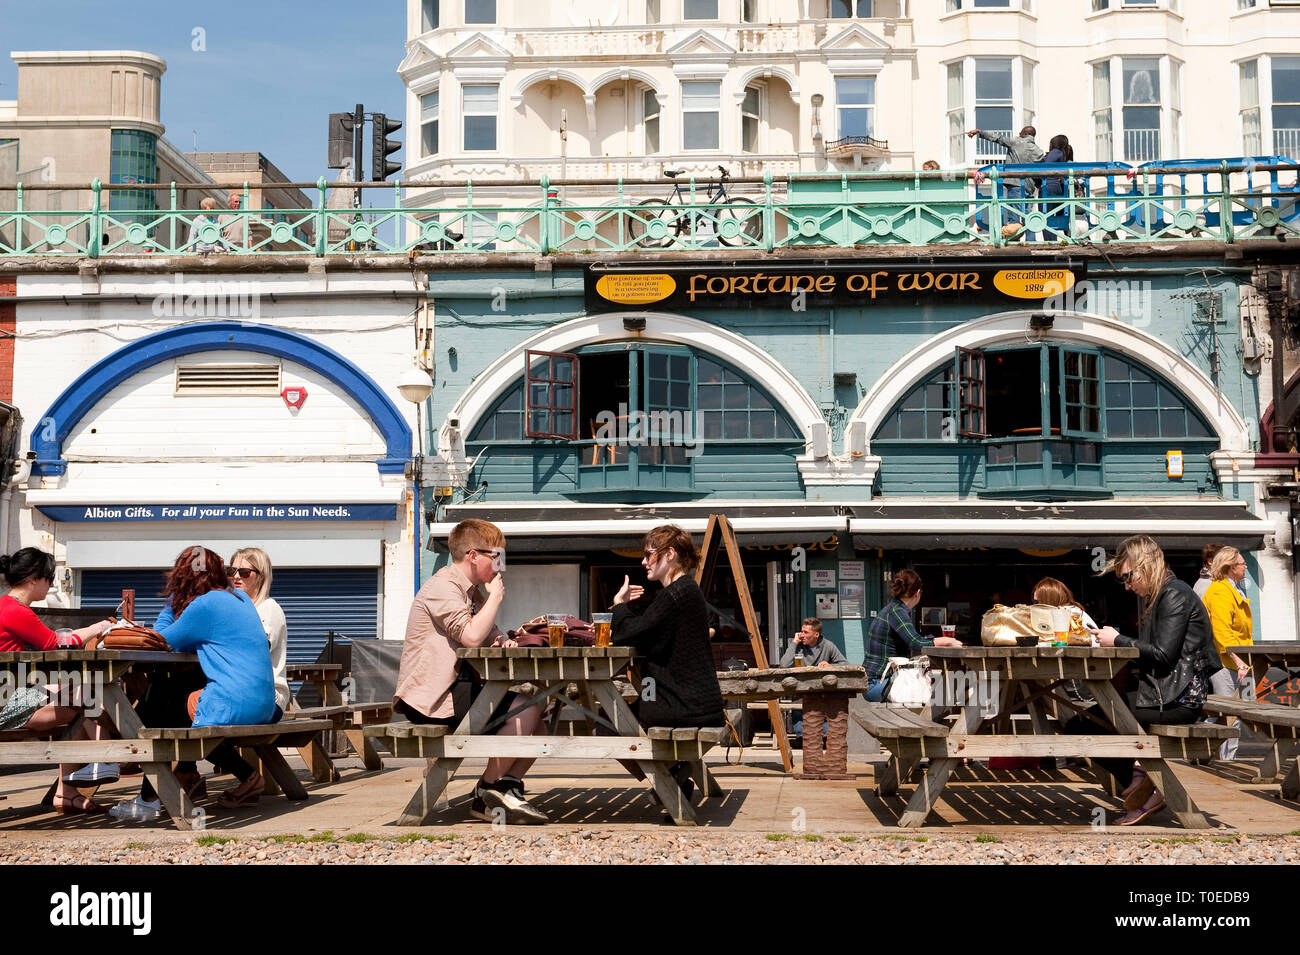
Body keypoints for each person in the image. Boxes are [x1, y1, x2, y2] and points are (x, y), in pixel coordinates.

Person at [394, 519, 549, 825]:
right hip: (432, 698)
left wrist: (505, 641)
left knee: (539, 725)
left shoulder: (472, 592)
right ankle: (490, 790)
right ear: (473, 555)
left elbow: (488, 635)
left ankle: (500, 787)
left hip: (458, 688)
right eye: (497, 556)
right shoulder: (443, 587)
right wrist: (495, 598)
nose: (501, 566)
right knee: (526, 707)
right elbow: (471, 637)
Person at [111, 547, 277, 820]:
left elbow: (160, 641)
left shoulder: (205, 605)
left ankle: (147, 794)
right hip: (265, 706)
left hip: (233, 704)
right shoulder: (241, 600)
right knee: (173, 694)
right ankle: (179, 780)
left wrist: (172, 601)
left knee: (161, 701)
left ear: (182, 579)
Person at [1085, 536, 1216, 825]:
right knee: (1086, 720)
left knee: (1089, 721)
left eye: (1129, 577)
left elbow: (1163, 655)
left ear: (1146, 565)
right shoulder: (1160, 595)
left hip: (1180, 700)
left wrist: (1117, 640)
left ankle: (1147, 778)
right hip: (1165, 694)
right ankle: (1144, 775)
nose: (1128, 586)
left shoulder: (1174, 594)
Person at [612, 524, 725, 801]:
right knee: (617, 715)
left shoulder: (675, 594)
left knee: (606, 720)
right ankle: (674, 777)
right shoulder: (686, 591)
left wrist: (618, 604)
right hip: (698, 702)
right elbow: (646, 633)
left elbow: (629, 634)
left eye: (649, 554)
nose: (643, 561)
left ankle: (667, 780)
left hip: (683, 706)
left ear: (670, 554)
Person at [0, 548, 116, 813]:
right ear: (32, 579)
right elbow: (56, 642)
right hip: (5, 705)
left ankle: (71, 789)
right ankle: (107, 757)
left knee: (82, 695)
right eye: (49, 578)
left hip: (9, 698)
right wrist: (98, 628)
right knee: (87, 694)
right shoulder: (14, 611)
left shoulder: (7, 607)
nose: (51, 584)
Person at [863, 569, 961, 702]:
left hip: (876, 681)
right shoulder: (897, 612)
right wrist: (947, 641)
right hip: (878, 684)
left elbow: (914, 639)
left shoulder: (893, 609)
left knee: (934, 688)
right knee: (937, 693)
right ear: (918, 593)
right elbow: (916, 643)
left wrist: (936, 640)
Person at [1201, 546, 1254, 761]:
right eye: (1242, 564)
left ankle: (1204, 752)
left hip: (1231, 660)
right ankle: (1224, 759)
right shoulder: (1220, 591)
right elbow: (1222, 631)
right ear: (1231, 567)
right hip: (1224, 662)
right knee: (1230, 713)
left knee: (1226, 713)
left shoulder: (1230, 589)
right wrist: (1239, 661)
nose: (1245, 567)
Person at [229, 547, 290, 717]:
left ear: (260, 576)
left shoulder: (268, 609)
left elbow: (253, 652)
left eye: (244, 572)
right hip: (243, 693)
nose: (236, 577)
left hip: (269, 699)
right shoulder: (236, 610)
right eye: (232, 571)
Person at [966, 125, 1044, 239]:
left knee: (1014, 217)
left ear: (1024, 134)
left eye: (1020, 132)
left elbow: (998, 138)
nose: (1018, 134)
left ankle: (1014, 242)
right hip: (1030, 186)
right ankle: (1031, 242)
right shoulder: (1038, 151)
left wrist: (980, 132)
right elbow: (1041, 169)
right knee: (1029, 217)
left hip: (1015, 184)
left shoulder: (1016, 142)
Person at [779, 617, 846, 668]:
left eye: (806, 632)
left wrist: (830, 665)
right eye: (802, 631)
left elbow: (845, 664)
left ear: (816, 635)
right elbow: (784, 665)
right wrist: (794, 642)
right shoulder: (797, 645)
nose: (802, 635)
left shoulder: (827, 645)